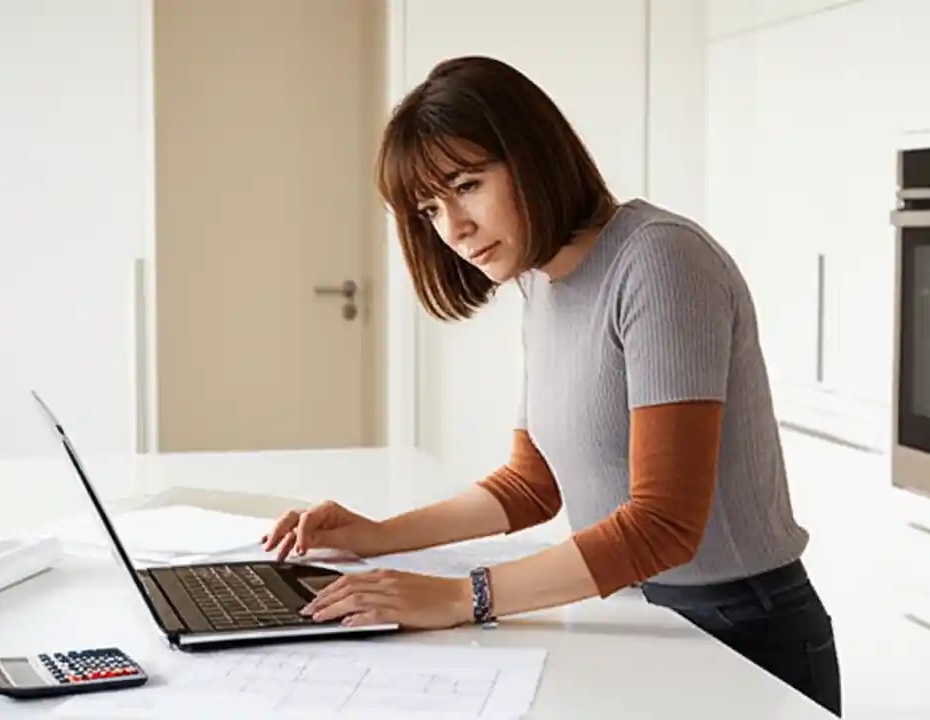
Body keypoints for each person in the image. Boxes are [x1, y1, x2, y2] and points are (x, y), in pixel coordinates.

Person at [260, 55, 842, 716]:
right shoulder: (541, 280)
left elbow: (664, 524)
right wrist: (375, 536)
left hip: (738, 632)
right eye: (429, 209)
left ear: (531, 155)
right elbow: (531, 484)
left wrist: (461, 597)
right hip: (636, 615)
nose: (454, 228)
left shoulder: (660, 260)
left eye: (468, 185)